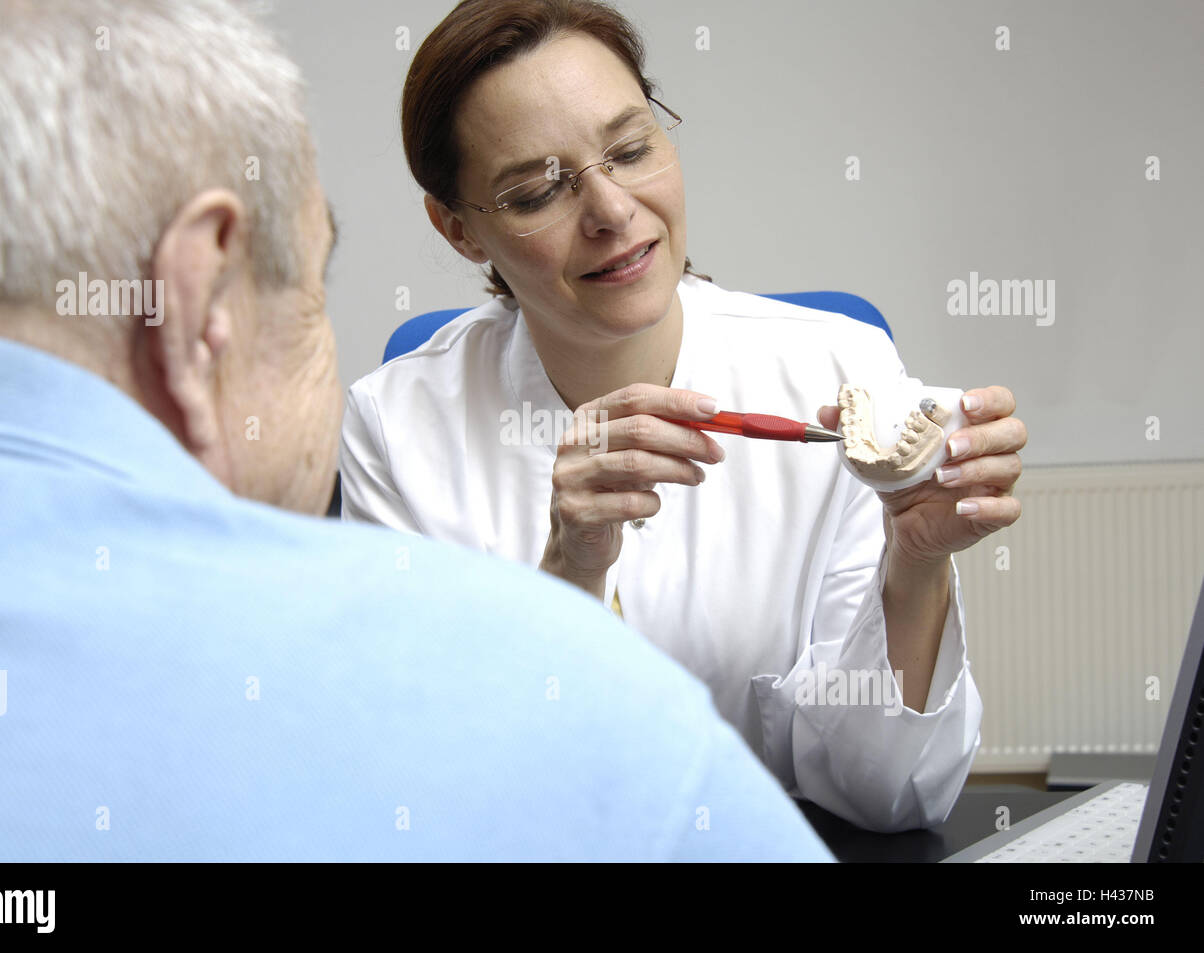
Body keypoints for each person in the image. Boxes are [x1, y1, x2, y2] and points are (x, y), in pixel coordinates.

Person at [0, 0, 832, 861]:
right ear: (196, 307)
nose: (611, 213)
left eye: (630, 149)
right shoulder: (608, 725)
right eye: (313, 283)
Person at [340, 0, 1027, 832]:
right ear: (458, 229)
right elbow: (438, 797)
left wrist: (913, 566)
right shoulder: (395, 426)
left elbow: (889, 797)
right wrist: (571, 570)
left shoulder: (842, 371)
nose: (612, 211)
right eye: (533, 192)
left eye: (630, 150)